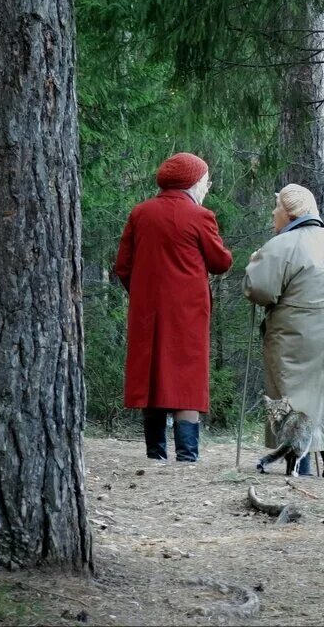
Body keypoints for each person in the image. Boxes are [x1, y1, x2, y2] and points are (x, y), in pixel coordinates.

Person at [114, 152, 232, 462]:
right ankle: (187, 455)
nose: (207, 187)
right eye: (206, 181)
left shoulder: (141, 213)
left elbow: (123, 266)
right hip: (187, 312)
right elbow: (221, 263)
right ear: (194, 183)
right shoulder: (200, 216)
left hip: (147, 311)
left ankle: (155, 453)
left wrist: (143, 292)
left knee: (153, 374)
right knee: (186, 377)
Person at [243, 184, 324, 478]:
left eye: (278, 208)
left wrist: (253, 264)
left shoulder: (281, 246)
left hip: (291, 337)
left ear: (292, 213)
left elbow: (259, 290)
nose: (273, 213)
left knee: (291, 399)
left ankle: (300, 467)